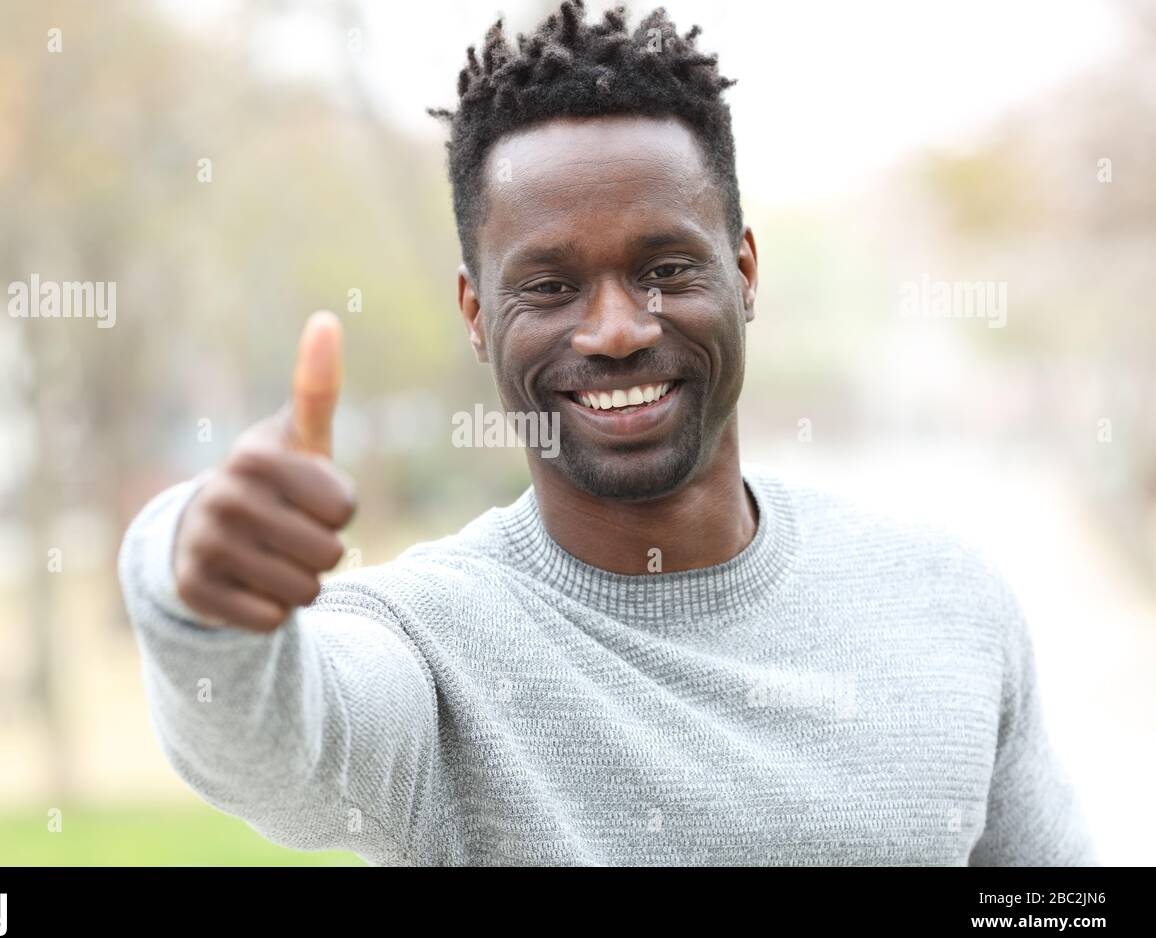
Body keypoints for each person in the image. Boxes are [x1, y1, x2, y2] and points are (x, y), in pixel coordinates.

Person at [118, 0, 1096, 866]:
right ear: (474, 313)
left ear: (744, 272)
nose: (618, 328)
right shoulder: (430, 645)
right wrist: (202, 593)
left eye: (666, 267)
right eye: (549, 286)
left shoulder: (944, 601)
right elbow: (278, 749)